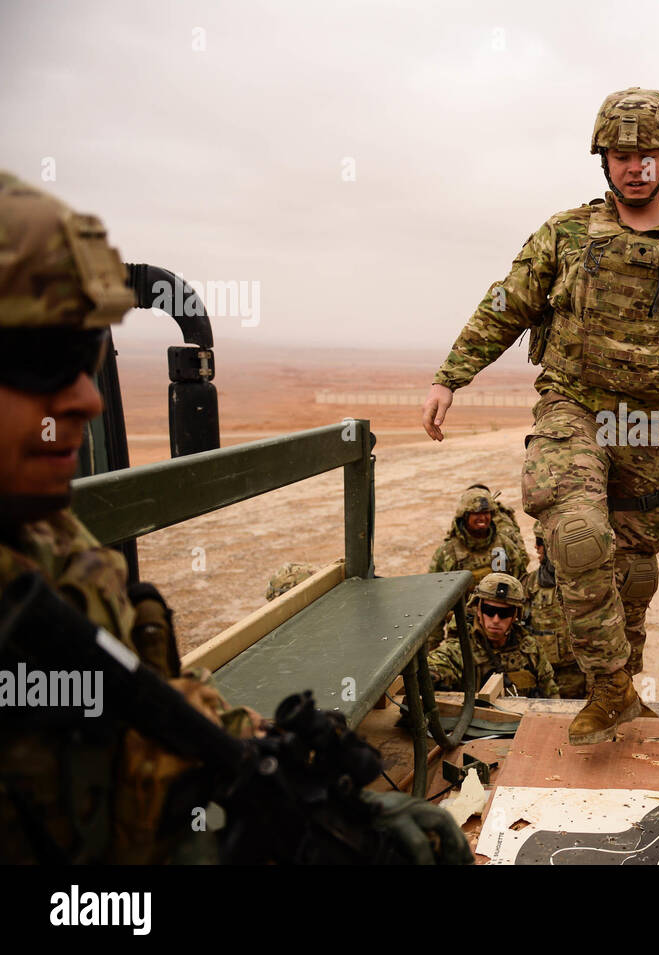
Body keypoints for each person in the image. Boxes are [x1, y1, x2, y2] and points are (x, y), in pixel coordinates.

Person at [0, 172, 466, 865]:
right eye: (44, 362)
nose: (86, 399)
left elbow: (140, 703)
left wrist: (272, 762)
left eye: (87, 359)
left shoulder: (43, 534)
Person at [420, 87, 659, 744]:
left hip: (647, 426)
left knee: (634, 572)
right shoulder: (566, 234)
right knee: (579, 537)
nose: (636, 167)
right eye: (623, 154)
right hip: (572, 409)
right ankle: (609, 684)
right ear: (604, 159)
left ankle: (621, 695)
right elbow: (505, 306)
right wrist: (451, 376)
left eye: (649, 155)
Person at [427, 572, 559, 699]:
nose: (496, 620)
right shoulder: (460, 650)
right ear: (478, 609)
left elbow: (551, 692)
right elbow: (432, 669)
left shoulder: (530, 649)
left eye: (504, 613)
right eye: (489, 610)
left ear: (515, 616)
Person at [428, 486, 529, 645]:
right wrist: (432, 646)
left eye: (486, 513)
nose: (482, 517)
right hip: (464, 634)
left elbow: (522, 582)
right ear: (465, 516)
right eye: (476, 513)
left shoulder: (504, 545)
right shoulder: (447, 554)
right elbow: (434, 603)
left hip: (502, 629)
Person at [523, 535, 586, 698]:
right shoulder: (530, 584)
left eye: (540, 543)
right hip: (542, 677)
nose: (536, 548)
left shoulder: (584, 586)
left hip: (576, 676)